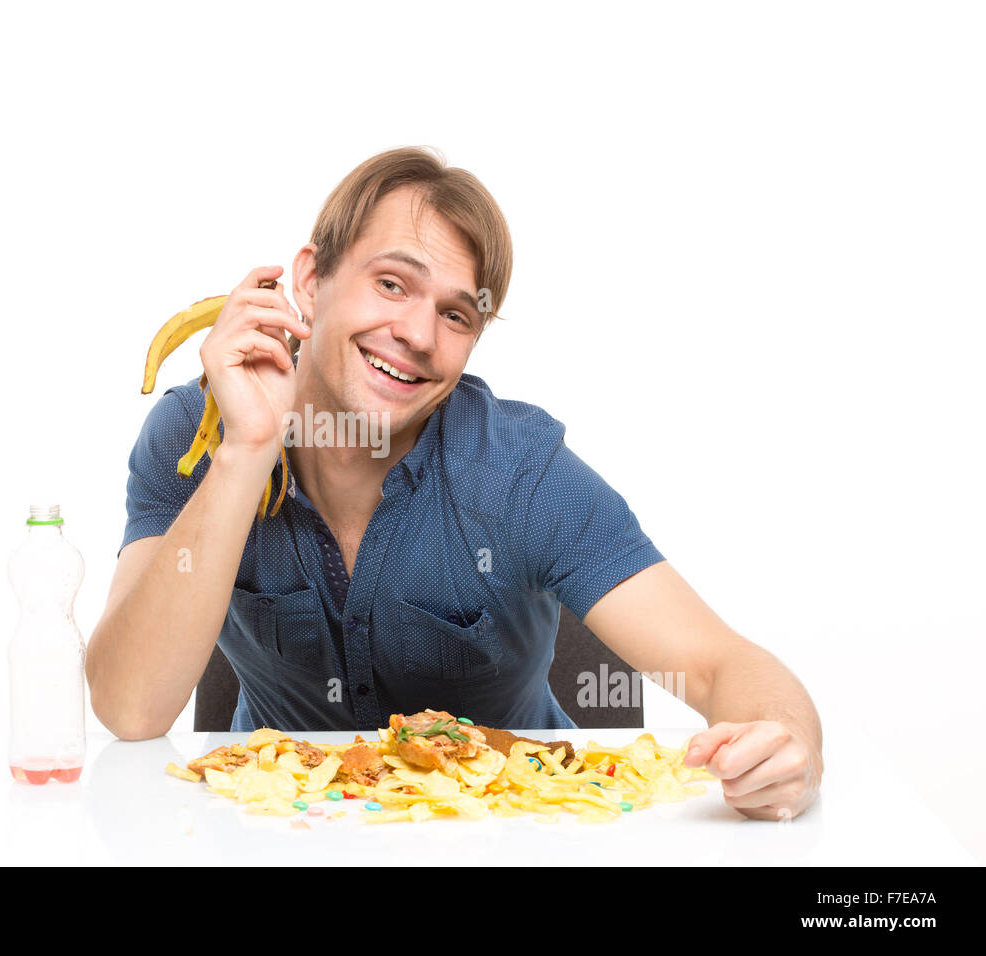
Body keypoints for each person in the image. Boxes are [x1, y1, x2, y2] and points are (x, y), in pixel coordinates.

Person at [86, 147, 823, 820]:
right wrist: (246, 451)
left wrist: (783, 746)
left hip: (513, 836)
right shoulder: (199, 438)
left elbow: (722, 664)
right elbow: (129, 709)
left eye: (455, 313)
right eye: (391, 283)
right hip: (274, 834)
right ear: (310, 280)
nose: (417, 334)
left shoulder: (522, 477)